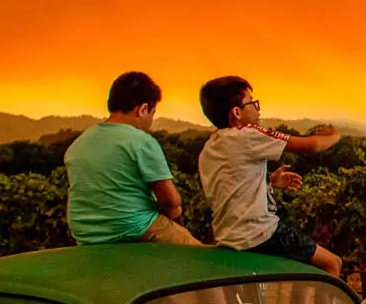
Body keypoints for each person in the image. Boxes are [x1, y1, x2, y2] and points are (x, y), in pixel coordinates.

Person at [197, 76, 342, 276]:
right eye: (252, 103)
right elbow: (312, 145)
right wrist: (335, 136)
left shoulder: (209, 149)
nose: (258, 110)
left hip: (229, 237)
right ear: (236, 112)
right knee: (332, 264)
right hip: (260, 234)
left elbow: (231, 190)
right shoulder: (248, 135)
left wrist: (270, 183)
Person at [64, 71, 203, 246]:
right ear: (143, 109)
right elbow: (169, 200)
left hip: (86, 233)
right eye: (152, 113)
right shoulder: (141, 141)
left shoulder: (78, 143)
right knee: (199, 254)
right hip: (134, 227)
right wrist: (178, 223)